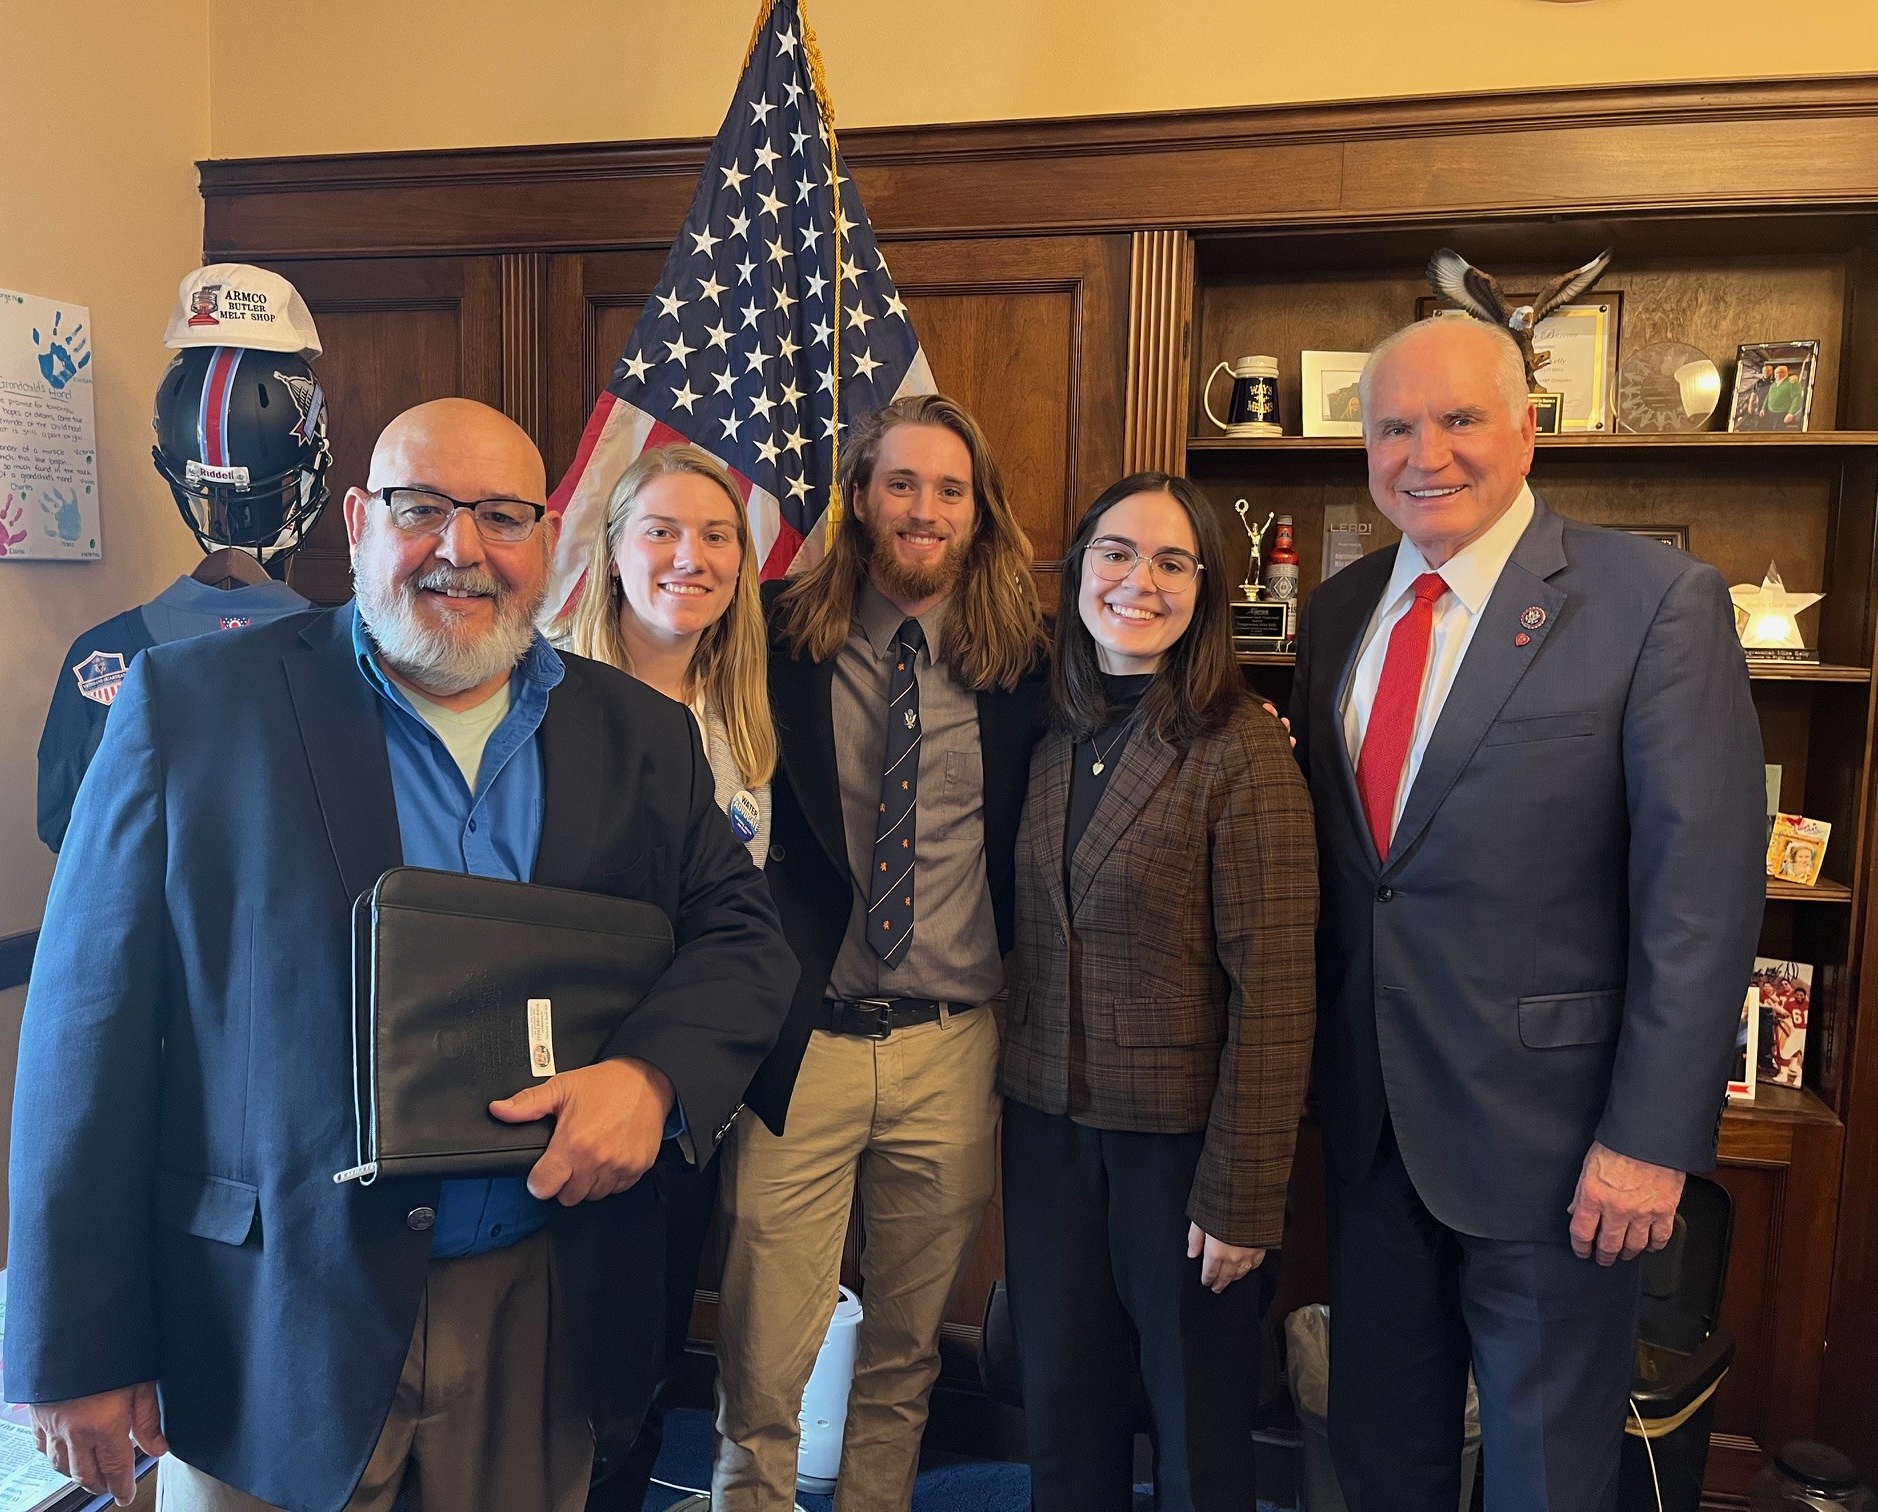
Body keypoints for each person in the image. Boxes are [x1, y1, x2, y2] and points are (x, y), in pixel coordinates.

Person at [5, 398, 798, 1512]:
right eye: (423, 508)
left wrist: (653, 1078)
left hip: (541, 1300)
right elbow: (86, 1029)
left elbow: (742, 939)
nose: (461, 549)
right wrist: (77, 1342)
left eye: (503, 517)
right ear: (359, 518)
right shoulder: (192, 708)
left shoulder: (638, 736)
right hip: (274, 1310)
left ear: (547, 541)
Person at [1289, 318, 1766, 1512]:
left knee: (1546, 1479)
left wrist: (1650, 1139)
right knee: (1380, 1458)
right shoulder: (1341, 610)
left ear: (1527, 433)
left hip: (1561, 1153)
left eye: (1458, 420)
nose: (1424, 453)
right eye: (1393, 425)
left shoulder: (1654, 602)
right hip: (1372, 1131)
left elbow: (1698, 898)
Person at [712, 393, 1049, 1512]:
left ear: (979, 512)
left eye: (950, 489)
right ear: (859, 499)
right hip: (802, 1044)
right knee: (763, 1355)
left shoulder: (1028, 665)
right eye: (901, 483)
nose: (925, 508)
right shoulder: (773, 634)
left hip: (950, 1051)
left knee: (906, 1358)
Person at [1001, 472, 1317, 1511]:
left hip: (1182, 1158)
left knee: (1197, 1439)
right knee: (1062, 1416)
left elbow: (1274, 991)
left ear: (1205, 589)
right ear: (1080, 570)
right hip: (1047, 1133)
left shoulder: (1242, 749)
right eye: (1116, 554)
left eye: (1173, 561)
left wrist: (1244, 1197)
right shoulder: (1050, 736)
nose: (1140, 581)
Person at [561, 444, 775, 1510]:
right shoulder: (542, 697)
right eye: (660, 531)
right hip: (572, 1097)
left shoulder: (749, 713)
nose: (688, 557)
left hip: (696, 1104)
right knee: (562, 1392)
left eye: (716, 536)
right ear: (610, 553)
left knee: (645, 1376)